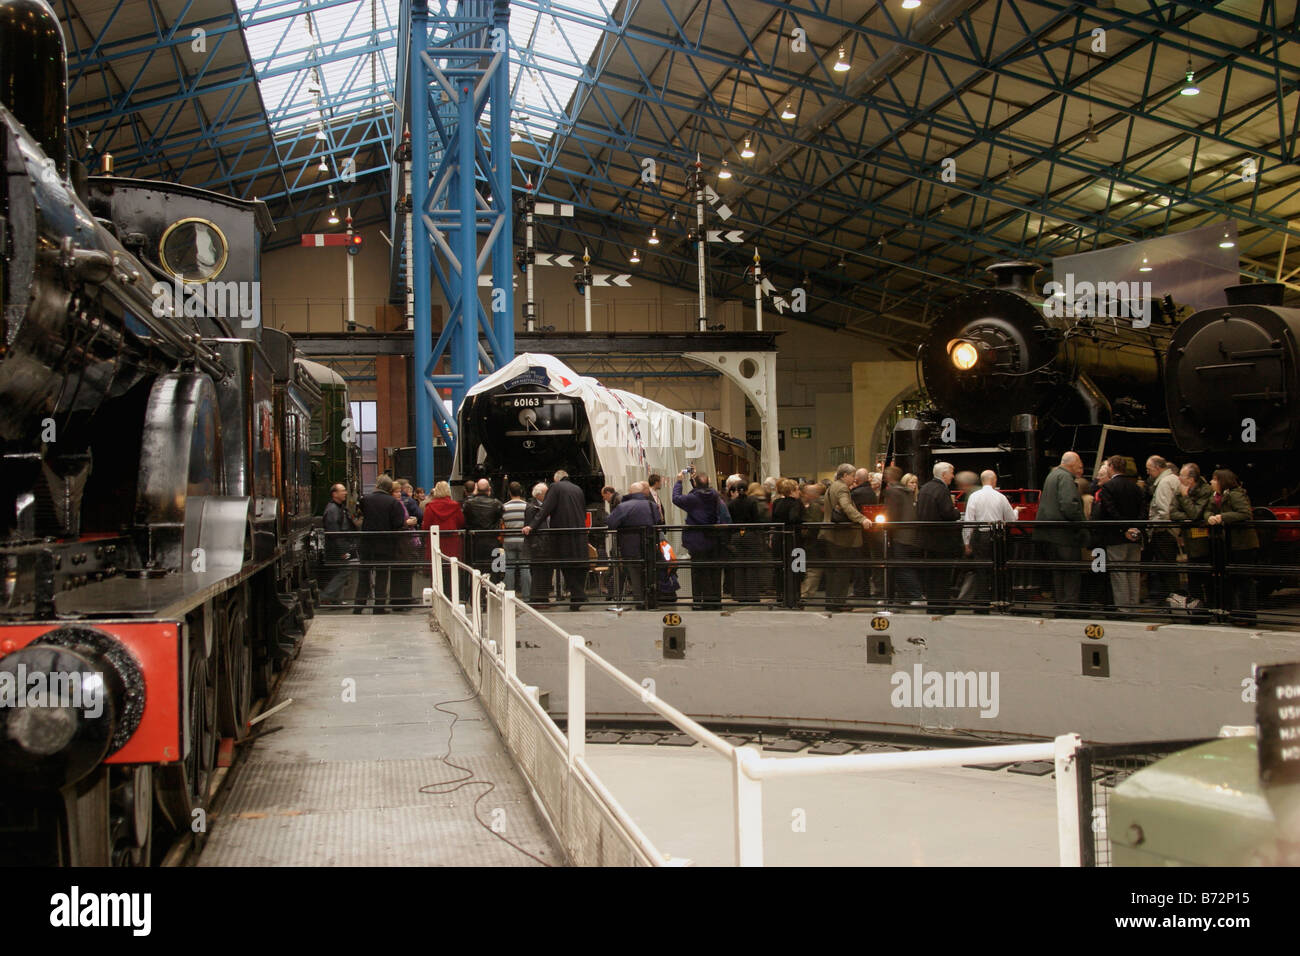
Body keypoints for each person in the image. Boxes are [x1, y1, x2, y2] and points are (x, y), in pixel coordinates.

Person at [523, 470, 588, 611]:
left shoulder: (556, 487)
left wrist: (531, 526)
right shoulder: (578, 489)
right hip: (579, 531)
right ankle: (577, 596)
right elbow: (583, 511)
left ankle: (578, 595)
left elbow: (546, 508)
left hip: (562, 533)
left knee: (565, 563)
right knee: (578, 564)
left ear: (556, 479)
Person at [672, 469, 730, 609]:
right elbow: (701, 493)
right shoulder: (715, 496)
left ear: (696, 484)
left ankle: (698, 601)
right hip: (713, 539)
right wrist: (694, 482)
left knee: (698, 572)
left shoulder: (693, 499)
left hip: (697, 540)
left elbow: (676, 498)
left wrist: (679, 481)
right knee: (714, 571)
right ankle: (715, 602)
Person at [1036, 451, 1087, 612]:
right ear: (1072, 464)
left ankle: (1061, 604)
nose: (1080, 468)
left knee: (1058, 571)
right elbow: (1068, 506)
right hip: (1064, 534)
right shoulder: (1065, 478)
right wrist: (1082, 523)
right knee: (1071, 572)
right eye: (1079, 464)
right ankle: (1070, 606)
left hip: (1050, 534)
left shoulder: (1052, 475)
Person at [819, 464, 873, 612]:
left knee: (833, 571)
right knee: (842, 570)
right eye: (852, 475)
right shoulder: (842, 488)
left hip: (830, 534)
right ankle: (838, 602)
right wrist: (862, 519)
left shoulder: (832, 486)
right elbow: (846, 506)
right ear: (844, 476)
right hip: (840, 537)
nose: (854, 478)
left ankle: (832, 601)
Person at [1094, 455, 1145, 610]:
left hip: (1116, 537)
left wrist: (1124, 528)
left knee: (1119, 573)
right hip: (1135, 537)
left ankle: (1123, 608)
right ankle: (1134, 604)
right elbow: (1144, 511)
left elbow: (1110, 511)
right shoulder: (1136, 488)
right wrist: (1135, 529)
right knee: (1133, 572)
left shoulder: (1108, 488)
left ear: (1111, 466)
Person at [1207, 469, 1258, 621]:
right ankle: (1238, 613)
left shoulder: (1235, 494)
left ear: (1222, 481)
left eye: (1214, 479)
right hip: (1231, 543)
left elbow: (1245, 513)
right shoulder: (1217, 497)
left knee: (1245, 580)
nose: (1211, 482)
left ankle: (1247, 615)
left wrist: (1222, 517)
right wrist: (1211, 517)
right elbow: (1208, 510)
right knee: (1235, 579)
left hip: (1244, 544)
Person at [961, 470, 1017, 609]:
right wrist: (1017, 511)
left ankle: (982, 603)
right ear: (994, 480)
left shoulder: (974, 496)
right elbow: (1011, 519)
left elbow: (969, 521)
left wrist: (966, 542)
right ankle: (1000, 600)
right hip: (997, 536)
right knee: (998, 568)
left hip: (980, 536)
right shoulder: (1000, 497)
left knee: (981, 569)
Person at [353, 475, 408, 613]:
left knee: (364, 576)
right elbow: (398, 523)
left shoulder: (365, 500)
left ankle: (358, 606)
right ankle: (379, 607)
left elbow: (360, 514)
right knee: (382, 576)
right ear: (389, 488)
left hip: (366, 543)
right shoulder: (393, 503)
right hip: (385, 544)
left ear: (377, 485)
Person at [916, 461, 962, 612]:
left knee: (931, 574)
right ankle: (942, 605)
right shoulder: (941, 490)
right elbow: (948, 513)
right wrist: (956, 512)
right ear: (944, 474)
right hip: (941, 540)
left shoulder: (925, 488)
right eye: (951, 473)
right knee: (942, 575)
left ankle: (933, 605)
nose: (953, 476)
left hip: (926, 539)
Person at [606, 482, 660, 608]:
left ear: (630, 493)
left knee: (635, 576)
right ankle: (652, 602)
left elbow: (611, 523)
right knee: (650, 575)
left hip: (630, 548)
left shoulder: (623, 506)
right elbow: (658, 521)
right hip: (650, 546)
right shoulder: (652, 505)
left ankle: (639, 602)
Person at [1170, 463, 1212, 607]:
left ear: (1191, 479)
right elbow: (1173, 513)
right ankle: (1196, 608)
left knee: (1207, 577)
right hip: (1189, 540)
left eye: (1182, 475)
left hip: (1205, 541)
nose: (1179, 478)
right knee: (1192, 577)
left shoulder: (1205, 490)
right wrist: (1188, 517)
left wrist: (1184, 497)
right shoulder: (1179, 489)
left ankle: (1211, 607)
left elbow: (1195, 514)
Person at [882, 466, 922, 602]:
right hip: (910, 533)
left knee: (902, 566)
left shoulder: (892, 492)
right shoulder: (907, 492)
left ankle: (915, 595)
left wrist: (885, 527)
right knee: (904, 565)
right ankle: (905, 595)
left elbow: (892, 514)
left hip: (899, 534)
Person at [1145, 455, 1180, 605]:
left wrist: (1152, 526)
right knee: (1168, 569)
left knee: (1167, 570)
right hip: (1170, 530)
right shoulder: (1173, 479)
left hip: (1163, 531)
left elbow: (1163, 511)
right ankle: (1174, 601)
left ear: (1158, 468)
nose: (1148, 473)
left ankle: (1172, 602)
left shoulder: (1165, 483)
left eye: (1149, 469)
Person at [422, 481, 466, 598]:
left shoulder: (430, 507)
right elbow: (461, 522)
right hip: (452, 541)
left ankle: (437, 595)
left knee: (436, 568)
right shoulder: (455, 506)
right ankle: (451, 596)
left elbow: (426, 526)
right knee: (451, 569)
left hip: (436, 541)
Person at [320, 483, 357, 606]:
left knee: (341, 571)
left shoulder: (338, 508)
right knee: (344, 571)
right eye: (342, 491)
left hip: (340, 545)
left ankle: (336, 599)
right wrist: (342, 551)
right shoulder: (333, 510)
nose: (345, 493)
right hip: (338, 547)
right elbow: (334, 532)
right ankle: (326, 596)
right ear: (334, 494)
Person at [462, 478, 504, 581]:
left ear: (476, 488)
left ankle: (476, 594)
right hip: (492, 541)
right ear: (489, 489)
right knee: (494, 570)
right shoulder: (496, 504)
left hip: (474, 542)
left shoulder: (469, 504)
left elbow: (465, 515)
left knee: (475, 570)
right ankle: (493, 593)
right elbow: (501, 514)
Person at [771, 478, 804, 606]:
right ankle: (795, 597)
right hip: (794, 539)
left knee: (780, 567)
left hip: (779, 538)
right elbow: (794, 518)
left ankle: (781, 596)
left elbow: (773, 519)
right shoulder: (796, 503)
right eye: (797, 489)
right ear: (792, 491)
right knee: (797, 568)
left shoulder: (776, 503)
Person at [851, 467, 882, 599]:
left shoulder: (855, 493)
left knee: (859, 562)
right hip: (871, 532)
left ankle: (861, 591)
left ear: (856, 479)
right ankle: (870, 589)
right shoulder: (871, 492)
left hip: (860, 532)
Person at [501, 482, 531, 600]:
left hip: (509, 540)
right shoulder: (527, 506)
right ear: (521, 492)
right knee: (525, 568)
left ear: (509, 493)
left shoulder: (504, 507)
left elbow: (501, 523)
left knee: (509, 568)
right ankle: (527, 596)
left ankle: (509, 596)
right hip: (523, 540)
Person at [525, 482, 553, 605]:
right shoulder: (532, 508)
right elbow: (530, 524)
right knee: (538, 573)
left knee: (547, 572)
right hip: (538, 544)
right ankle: (537, 599)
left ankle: (543, 597)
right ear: (539, 495)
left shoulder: (546, 506)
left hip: (546, 543)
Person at [800, 483, 826, 599]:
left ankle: (804, 594)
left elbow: (813, 525)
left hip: (812, 543)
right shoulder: (816, 506)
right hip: (813, 543)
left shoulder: (815, 507)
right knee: (812, 570)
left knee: (811, 570)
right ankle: (805, 594)